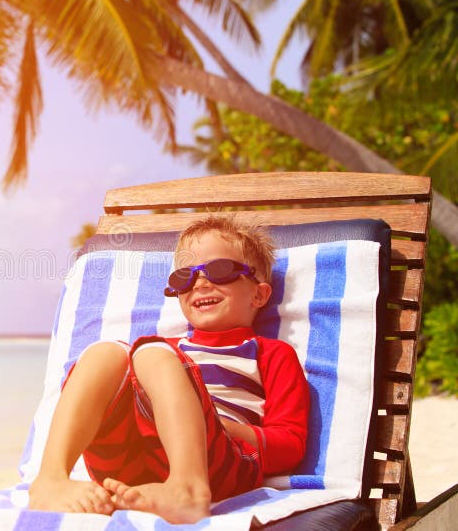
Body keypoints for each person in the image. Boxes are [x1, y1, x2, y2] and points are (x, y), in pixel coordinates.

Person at [27, 216, 309, 523]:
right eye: (184, 277)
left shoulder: (272, 353)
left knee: (151, 353)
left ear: (259, 294)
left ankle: (187, 488)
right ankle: (51, 479)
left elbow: (291, 445)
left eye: (220, 270)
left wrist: (220, 426)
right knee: (106, 353)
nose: (201, 282)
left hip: (220, 465)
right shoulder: (166, 351)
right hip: (135, 466)